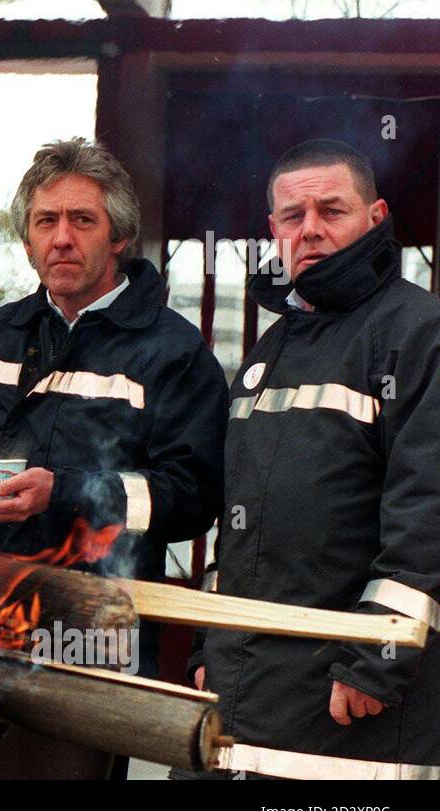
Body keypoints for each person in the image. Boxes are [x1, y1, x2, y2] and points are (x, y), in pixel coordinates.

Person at [0, 138, 228, 681]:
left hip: (99, 630)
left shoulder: (174, 351)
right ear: (27, 242)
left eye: (83, 220)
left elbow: (194, 497)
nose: (61, 239)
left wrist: (65, 492)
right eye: (45, 221)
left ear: (119, 235)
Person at [187, 139, 440, 778]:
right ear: (273, 231)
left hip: (349, 707)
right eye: (294, 218)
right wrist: (206, 641)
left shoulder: (420, 333)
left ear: (377, 218)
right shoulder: (268, 351)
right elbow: (238, 517)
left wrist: (377, 657)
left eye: (333, 211)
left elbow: (429, 510)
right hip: (240, 696)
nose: (312, 231)